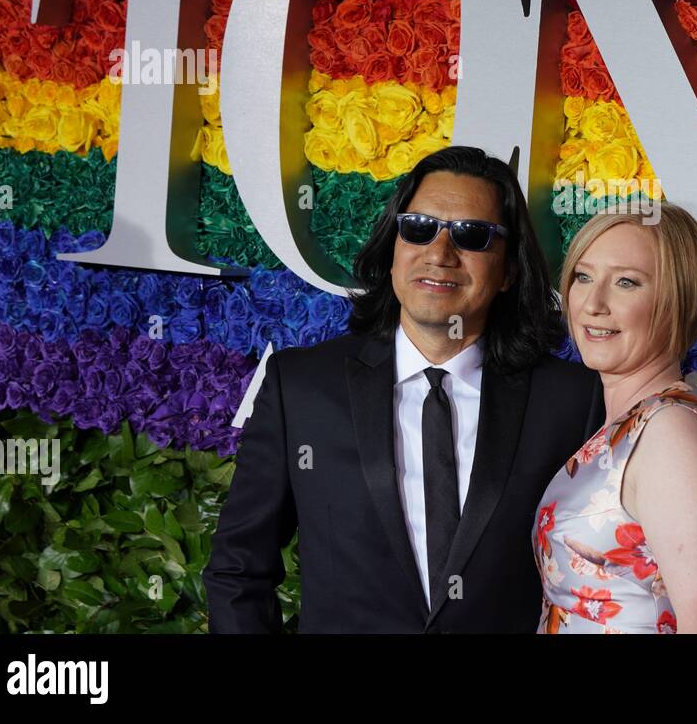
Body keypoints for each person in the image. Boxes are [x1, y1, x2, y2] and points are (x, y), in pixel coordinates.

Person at [204, 146, 604, 632]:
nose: (439, 254)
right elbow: (238, 568)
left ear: (509, 270)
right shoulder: (301, 388)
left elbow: (594, 584)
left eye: (472, 236)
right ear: (393, 247)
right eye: (418, 228)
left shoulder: (573, 402)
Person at [533, 203, 697, 633]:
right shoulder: (640, 421)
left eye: (626, 283)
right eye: (583, 276)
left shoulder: (671, 434)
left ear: (678, 300)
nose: (593, 304)